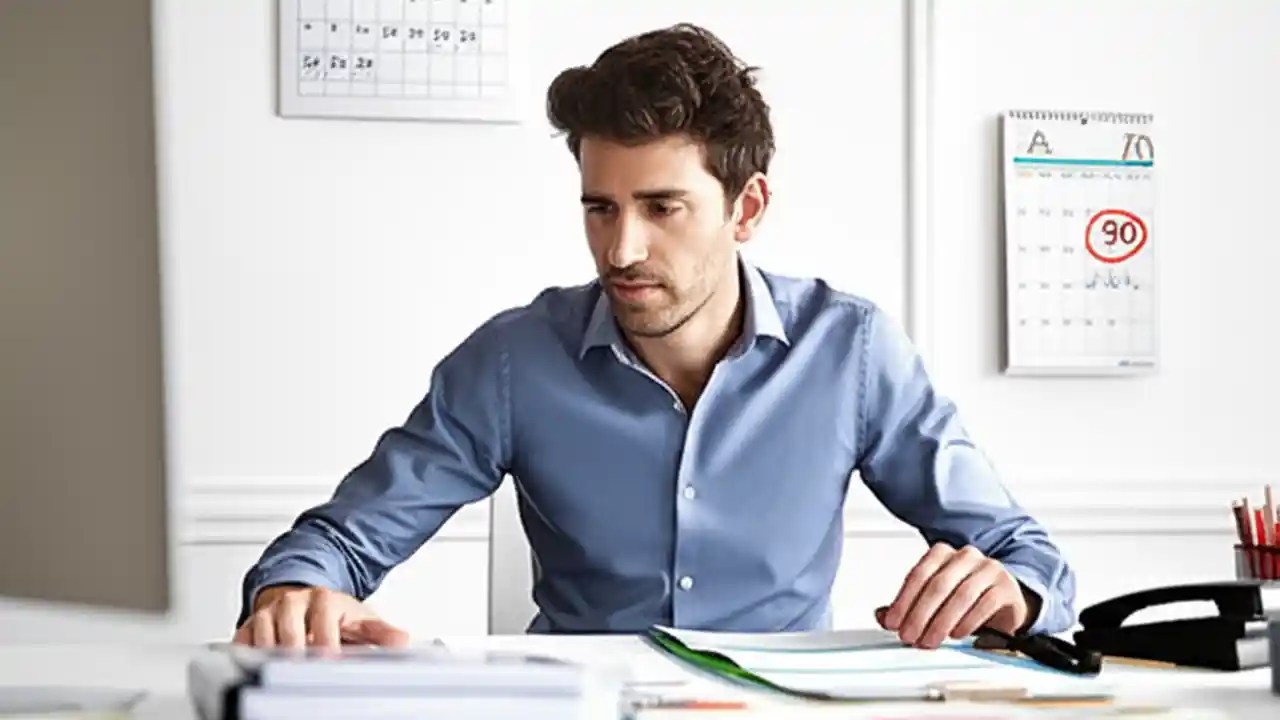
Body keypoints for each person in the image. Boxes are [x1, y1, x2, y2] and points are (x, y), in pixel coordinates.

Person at [232, 23, 1076, 651]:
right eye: (601, 208)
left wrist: (1013, 592)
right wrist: (297, 587)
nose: (622, 249)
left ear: (745, 209)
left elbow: (1027, 558)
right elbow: (342, 541)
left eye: (662, 208)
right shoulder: (511, 362)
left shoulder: (851, 353)